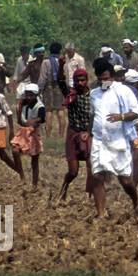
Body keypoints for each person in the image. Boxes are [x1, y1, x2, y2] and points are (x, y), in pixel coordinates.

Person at [86, 58, 138, 217]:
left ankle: (136, 201)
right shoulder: (94, 94)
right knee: (97, 176)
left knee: (125, 181)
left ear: (111, 75)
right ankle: (101, 214)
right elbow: (93, 116)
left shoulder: (124, 91)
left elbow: (136, 112)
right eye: (101, 78)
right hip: (99, 140)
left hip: (118, 140)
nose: (104, 81)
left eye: (106, 77)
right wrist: (88, 132)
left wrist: (121, 116)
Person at [58, 69, 93, 200]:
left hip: (88, 134)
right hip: (73, 134)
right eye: (77, 80)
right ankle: (64, 188)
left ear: (87, 80)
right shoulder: (71, 95)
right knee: (73, 172)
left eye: (82, 80)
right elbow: (60, 82)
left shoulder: (93, 95)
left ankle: (91, 195)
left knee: (91, 167)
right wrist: (61, 65)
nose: (80, 83)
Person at [12, 82, 45, 186]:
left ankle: (34, 184)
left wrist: (32, 122)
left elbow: (39, 119)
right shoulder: (23, 104)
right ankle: (22, 175)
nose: (28, 97)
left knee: (34, 160)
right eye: (27, 95)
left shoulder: (40, 107)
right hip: (23, 132)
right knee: (15, 151)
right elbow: (20, 121)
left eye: (31, 95)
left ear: (36, 95)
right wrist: (19, 107)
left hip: (33, 133)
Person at [39, 43, 67, 139]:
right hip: (60, 86)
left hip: (49, 87)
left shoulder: (46, 62)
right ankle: (61, 135)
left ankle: (48, 135)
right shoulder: (62, 61)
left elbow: (43, 78)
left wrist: (39, 89)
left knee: (48, 111)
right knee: (61, 110)